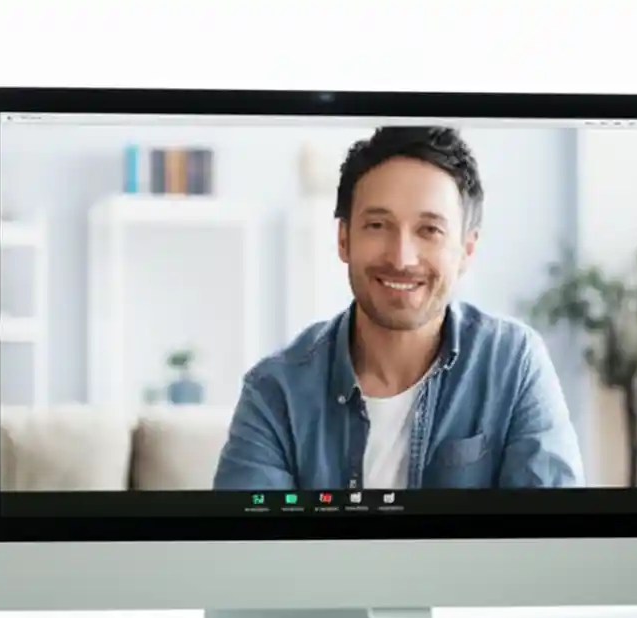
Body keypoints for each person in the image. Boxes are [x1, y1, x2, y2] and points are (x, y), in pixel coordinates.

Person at [213, 126, 584, 491]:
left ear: (466, 250)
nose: (402, 258)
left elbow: (553, 538)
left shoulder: (513, 364)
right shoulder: (275, 391)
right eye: (377, 225)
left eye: (429, 230)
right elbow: (248, 546)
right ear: (344, 239)